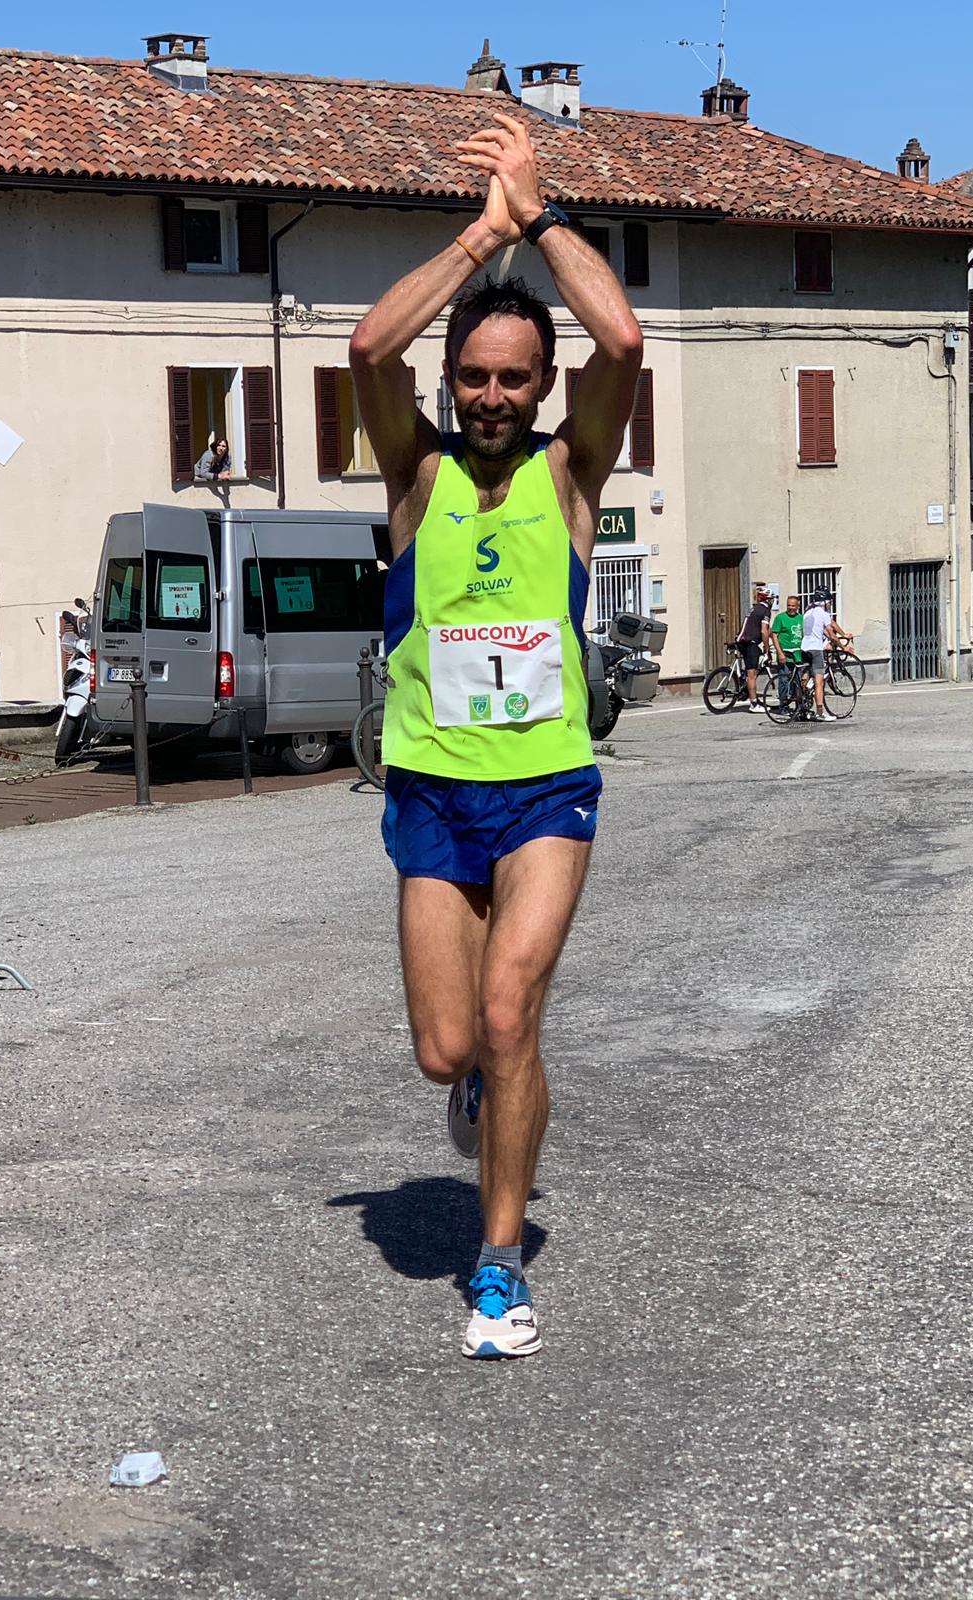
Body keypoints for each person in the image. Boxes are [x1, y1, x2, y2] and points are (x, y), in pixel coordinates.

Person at [349, 113, 643, 1359]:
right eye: (475, 375)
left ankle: (498, 1262)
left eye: (516, 377)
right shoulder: (411, 477)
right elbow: (368, 344)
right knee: (443, 1050)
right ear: (450, 382)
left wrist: (545, 210)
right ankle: (479, 1090)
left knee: (514, 1009)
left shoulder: (570, 479)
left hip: (543, 792)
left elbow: (621, 337)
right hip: (429, 787)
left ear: (541, 388)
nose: (493, 396)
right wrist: (482, 234)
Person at [800, 587, 848, 721]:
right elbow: (831, 635)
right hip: (816, 649)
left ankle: (801, 708)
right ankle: (820, 713)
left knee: (804, 678)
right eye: (829, 602)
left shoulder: (807, 613)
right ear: (824, 602)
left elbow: (820, 631)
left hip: (804, 648)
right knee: (819, 682)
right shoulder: (823, 614)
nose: (830, 605)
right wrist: (843, 647)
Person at [737, 582, 772, 712]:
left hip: (742, 641)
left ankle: (746, 688)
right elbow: (764, 631)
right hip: (750, 642)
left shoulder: (754, 608)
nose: (773, 601)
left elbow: (767, 629)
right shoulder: (765, 610)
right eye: (771, 599)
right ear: (767, 599)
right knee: (751, 675)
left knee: (750, 669)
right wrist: (767, 648)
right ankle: (753, 704)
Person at [771, 593, 804, 711]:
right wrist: (779, 653)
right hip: (785, 654)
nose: (790, 607)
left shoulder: (801, 618)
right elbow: (774, 635)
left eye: (793, 606)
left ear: (798, 606)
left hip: (798, 655)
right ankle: (783, 705)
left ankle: (798, 705)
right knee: (784, 680)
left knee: (798, 682)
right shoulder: (780, 618)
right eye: (789, 605)